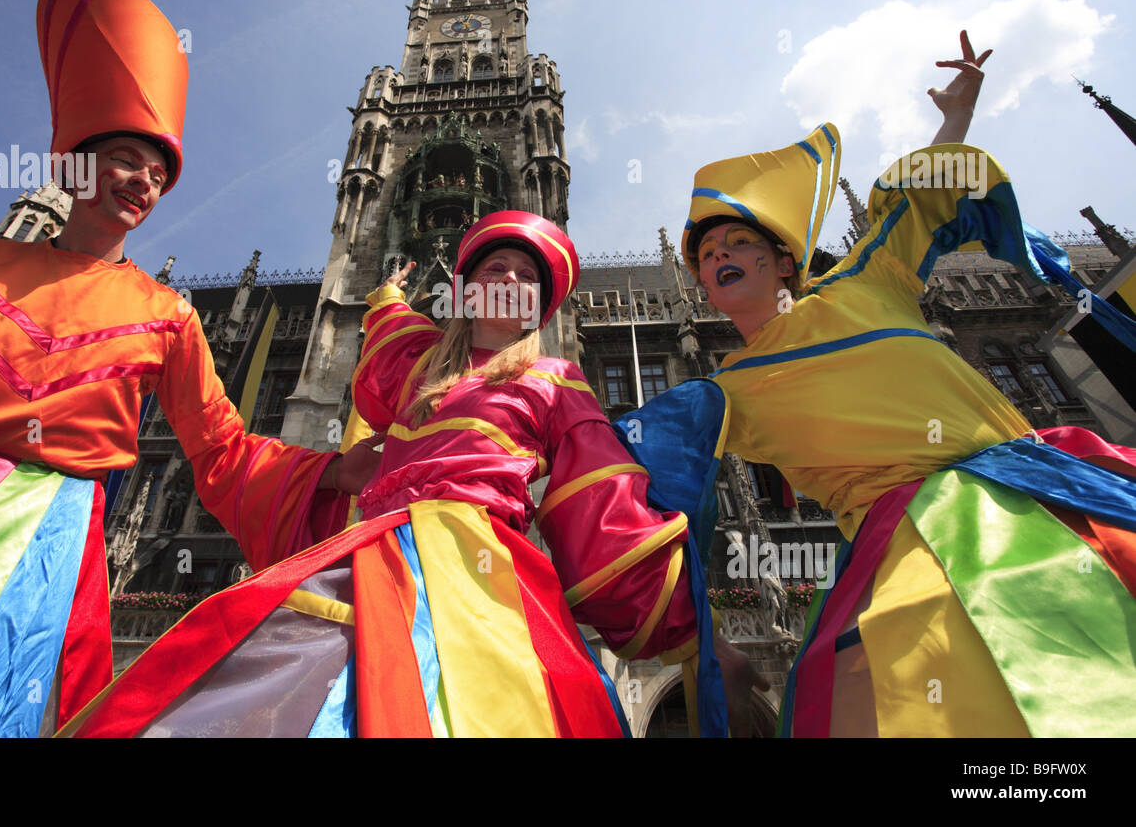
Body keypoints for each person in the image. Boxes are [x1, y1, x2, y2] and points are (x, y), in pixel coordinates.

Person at [0, 0, 378, 737]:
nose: (143, 180)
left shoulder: (168, 314)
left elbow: (220, 450)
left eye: (159, 171)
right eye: (126, 157)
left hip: (51, 548)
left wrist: (333, 469)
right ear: (73, 162)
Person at [60, 210, 753, 738]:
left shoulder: (557, 381)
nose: (508, 277)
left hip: (483, 564)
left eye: (525, 273)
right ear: (466, 288)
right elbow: (387, 336)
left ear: (540, 305)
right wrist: (385, 294)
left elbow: (596, 510)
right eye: (493, 267)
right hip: (373, 549)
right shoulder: (420, 365)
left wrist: (688, 630)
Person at [617, 32, 1136, 736]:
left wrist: (955, 118)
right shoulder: (725, 392)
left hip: (1047, 491)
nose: (719, 258)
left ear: (782, 260)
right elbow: (629, 454)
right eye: (707, 256)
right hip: (906, 546)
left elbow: (912, 203)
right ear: (698, 286)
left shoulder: (867, 282)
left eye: (735, 243)